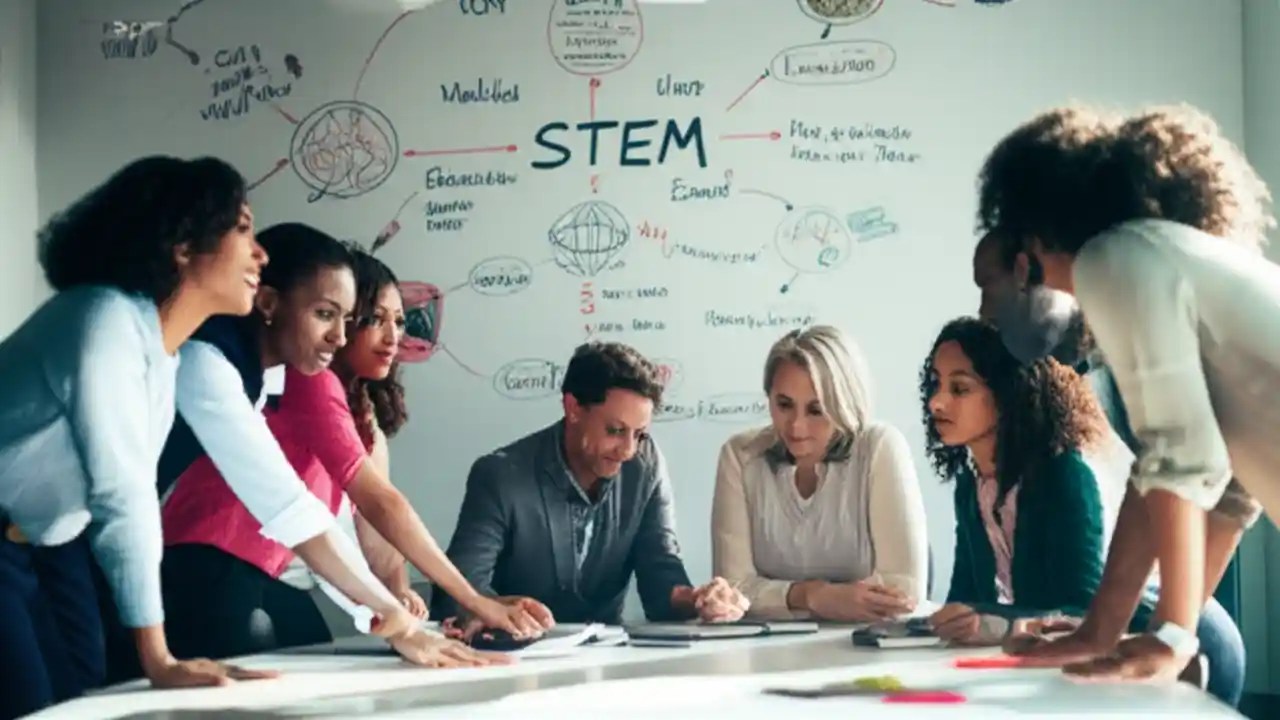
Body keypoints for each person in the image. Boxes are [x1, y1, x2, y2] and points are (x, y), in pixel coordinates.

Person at [975, 103, 1273, 696]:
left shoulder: (1113, 259)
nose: (987, 305)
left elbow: (1183, 457)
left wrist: (1174, 635)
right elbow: (1226, 491)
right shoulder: (1155, 257)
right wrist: (1102, 629)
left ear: (1028, 242)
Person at [158, 228, 539, 665]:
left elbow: (354, 533)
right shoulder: (299, 381)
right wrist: (463, 601)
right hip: (212, 560)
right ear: (269, 303)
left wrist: (398, 607)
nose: (388, 336)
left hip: (257, 569)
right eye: (369, 319)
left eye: (399, 320)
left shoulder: (331, 398)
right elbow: (354, 506)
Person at [0, 156, 278, 719]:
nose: (260, 254)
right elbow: (121, 494)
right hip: (17, 543)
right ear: (182, 245)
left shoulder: (161, 352)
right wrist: (160, 657)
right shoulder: (101, 318)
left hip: (44, 546)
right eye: (243, 228)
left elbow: (110, 506)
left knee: (83, 695)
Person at [434, 341, 749, 626]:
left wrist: (698, 598)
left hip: (604, 659)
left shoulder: (645, 464)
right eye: (614, 430)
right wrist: (508, 609)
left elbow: (660, 576)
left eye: (639, 434)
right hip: (513, 657)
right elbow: (455, 595)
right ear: (573, 408)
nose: (628, 450)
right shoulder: (500, 476)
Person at [711, 326, 927, 621]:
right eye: (784, 405)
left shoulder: (880, 447)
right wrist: (813, 596)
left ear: (844, 405)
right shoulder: (740, 455)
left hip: (868, 643)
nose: (796, 427)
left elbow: (903, 590)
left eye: (817, 410)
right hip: (767, 647)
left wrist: (777, 597)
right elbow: (731, 590)